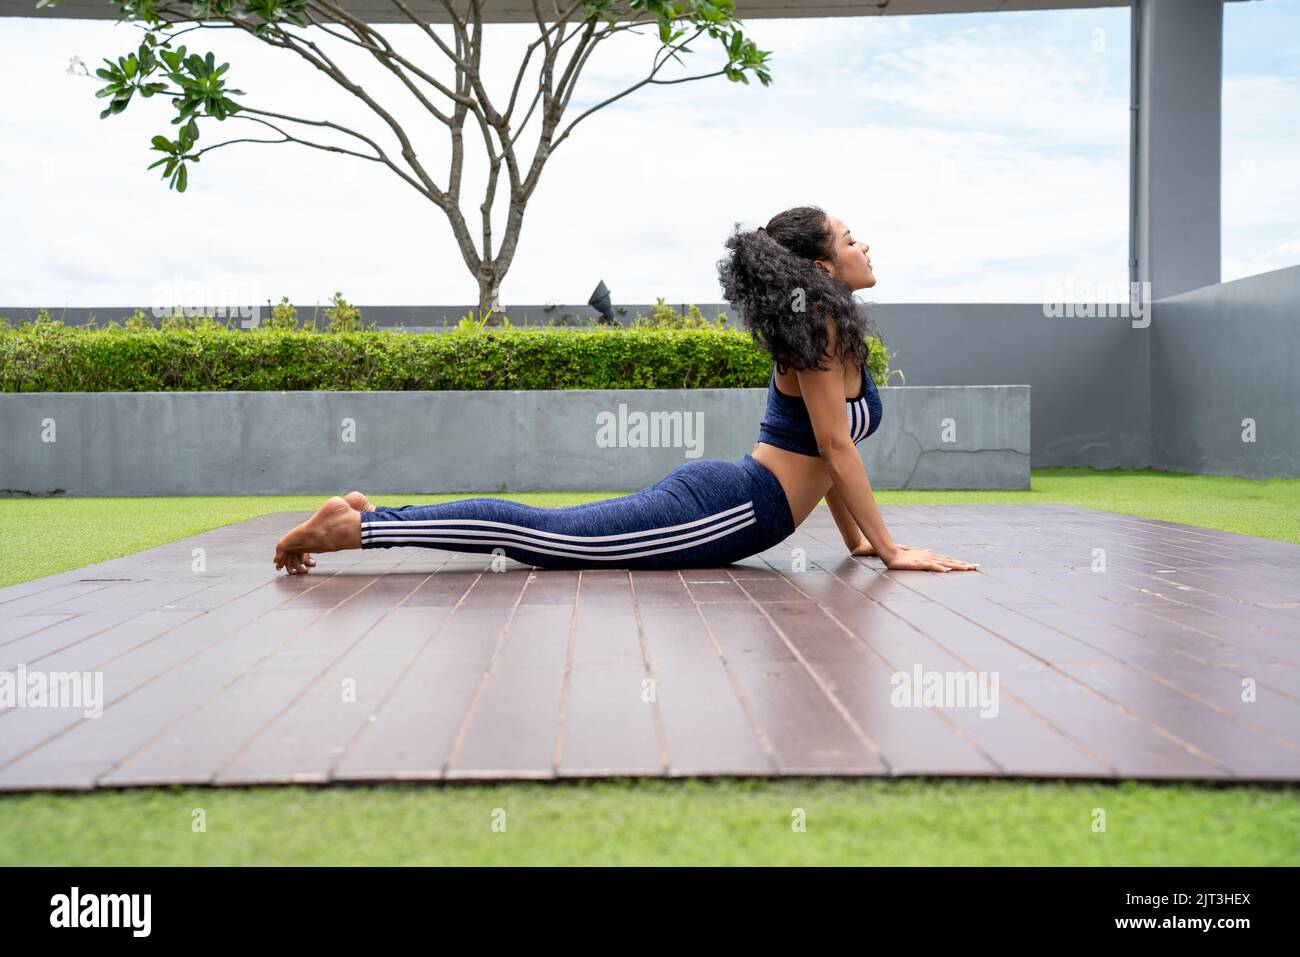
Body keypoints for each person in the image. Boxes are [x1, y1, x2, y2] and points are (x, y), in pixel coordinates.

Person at [273, 206, 979, 575]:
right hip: (730, 508)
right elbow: (831, 444)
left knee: (548, 534)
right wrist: (889, 550)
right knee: (544, 538)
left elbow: (829, 456)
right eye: (853, 239)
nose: (867, 246)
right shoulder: (820, 325)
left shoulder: (826, 325)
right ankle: (360, 528)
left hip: (732, 499)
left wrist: (857, 542)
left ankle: (366, 516)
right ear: (824, 265)